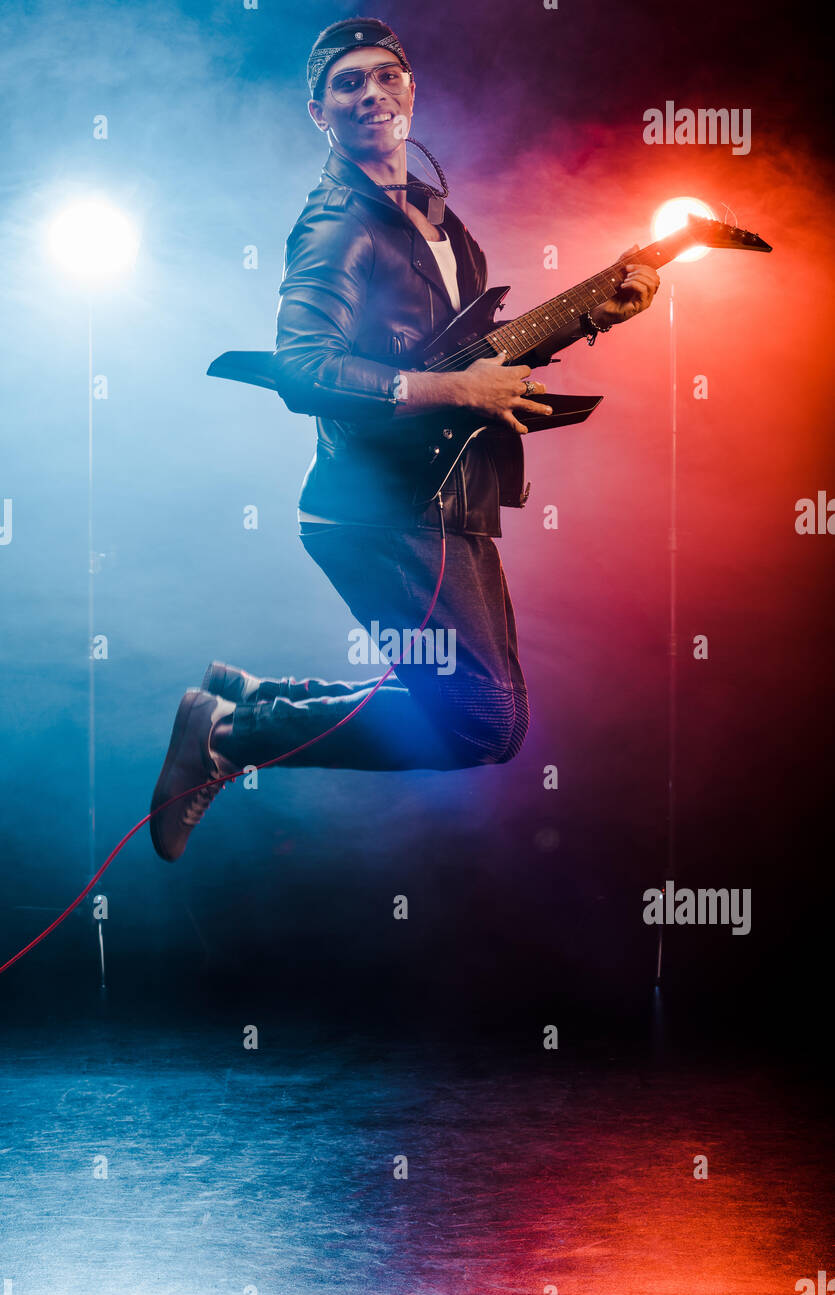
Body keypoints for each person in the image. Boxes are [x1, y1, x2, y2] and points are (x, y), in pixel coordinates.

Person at [149, 16, 659, 862]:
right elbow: (303, 368)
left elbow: (466, 360)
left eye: (385, 76)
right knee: (481, 721)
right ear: (318, 111)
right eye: (347, 84)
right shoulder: (336, 225)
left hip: (442, 499)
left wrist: (586, 318)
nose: (371, 94)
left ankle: (248, 702)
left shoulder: (433, 221)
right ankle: (232, 734)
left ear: (410, 90)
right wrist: (457, 388)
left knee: (489, 717)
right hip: (378, 511)